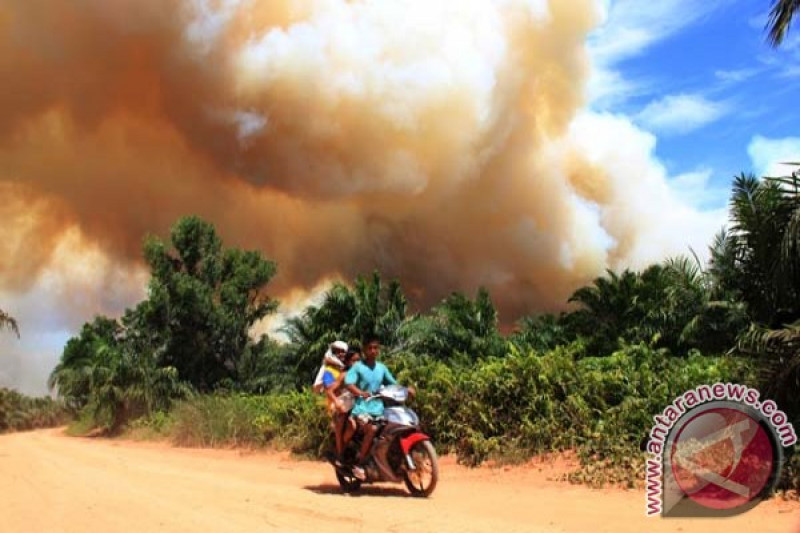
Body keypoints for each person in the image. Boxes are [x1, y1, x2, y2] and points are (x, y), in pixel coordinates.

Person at [344, 336, 414, 480]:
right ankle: (360, 464)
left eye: (375, 348)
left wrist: (406, 389)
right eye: (369, 348)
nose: (373, 351)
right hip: (362, 408)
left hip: (379, 409)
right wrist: (360, 393)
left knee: (391, 430)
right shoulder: (358, 367)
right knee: (372, 429)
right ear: (364, 350)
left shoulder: (381, 368)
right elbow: (349, 383)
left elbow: (392, 384)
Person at [323, 347, 360, 464]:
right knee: (349, 426)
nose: (357, 363)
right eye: (354, 360)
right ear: (348, 362)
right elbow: (329, 391)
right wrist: (337, 402)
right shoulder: (343, 375)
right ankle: (340, 454)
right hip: (343, 404)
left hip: (358, 404)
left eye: (358, 360)